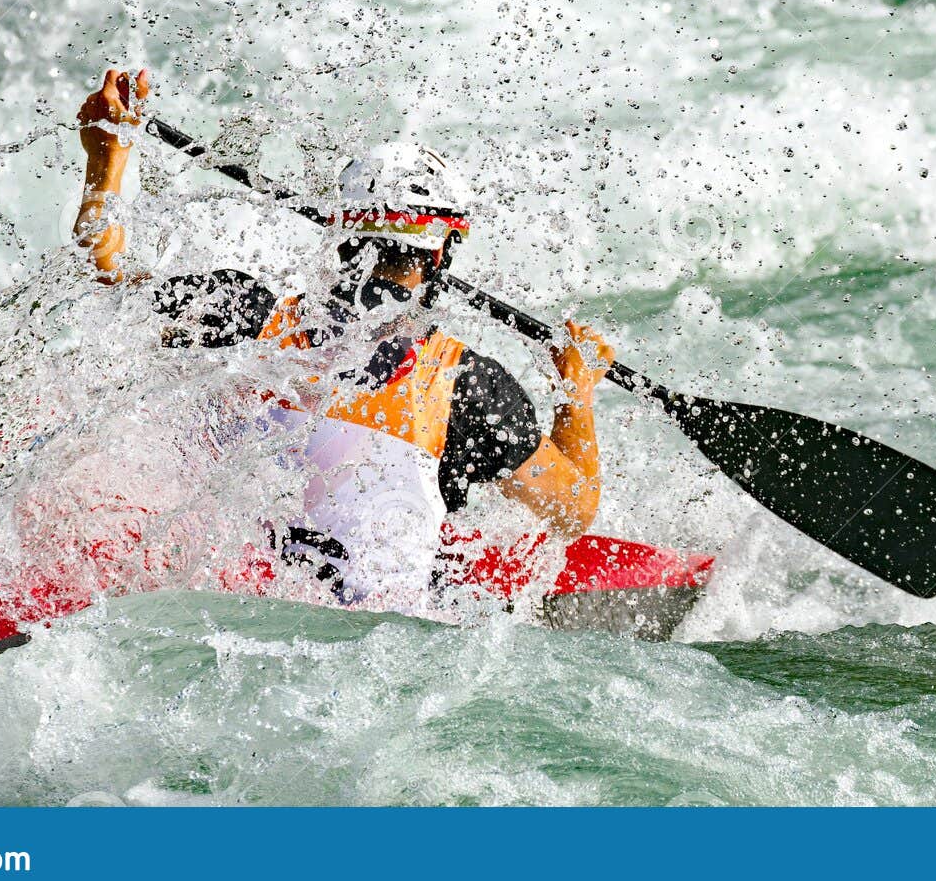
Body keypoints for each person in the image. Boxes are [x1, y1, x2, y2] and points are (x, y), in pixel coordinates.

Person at [72, 68, 615, 608]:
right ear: (443, 253)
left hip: (218, 607)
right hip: (379, 646)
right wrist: (576, 393)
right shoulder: (467, 388)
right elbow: (573, 510)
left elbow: (109, 278)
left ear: (339, 241)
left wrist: (108, 158)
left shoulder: (247, 319)